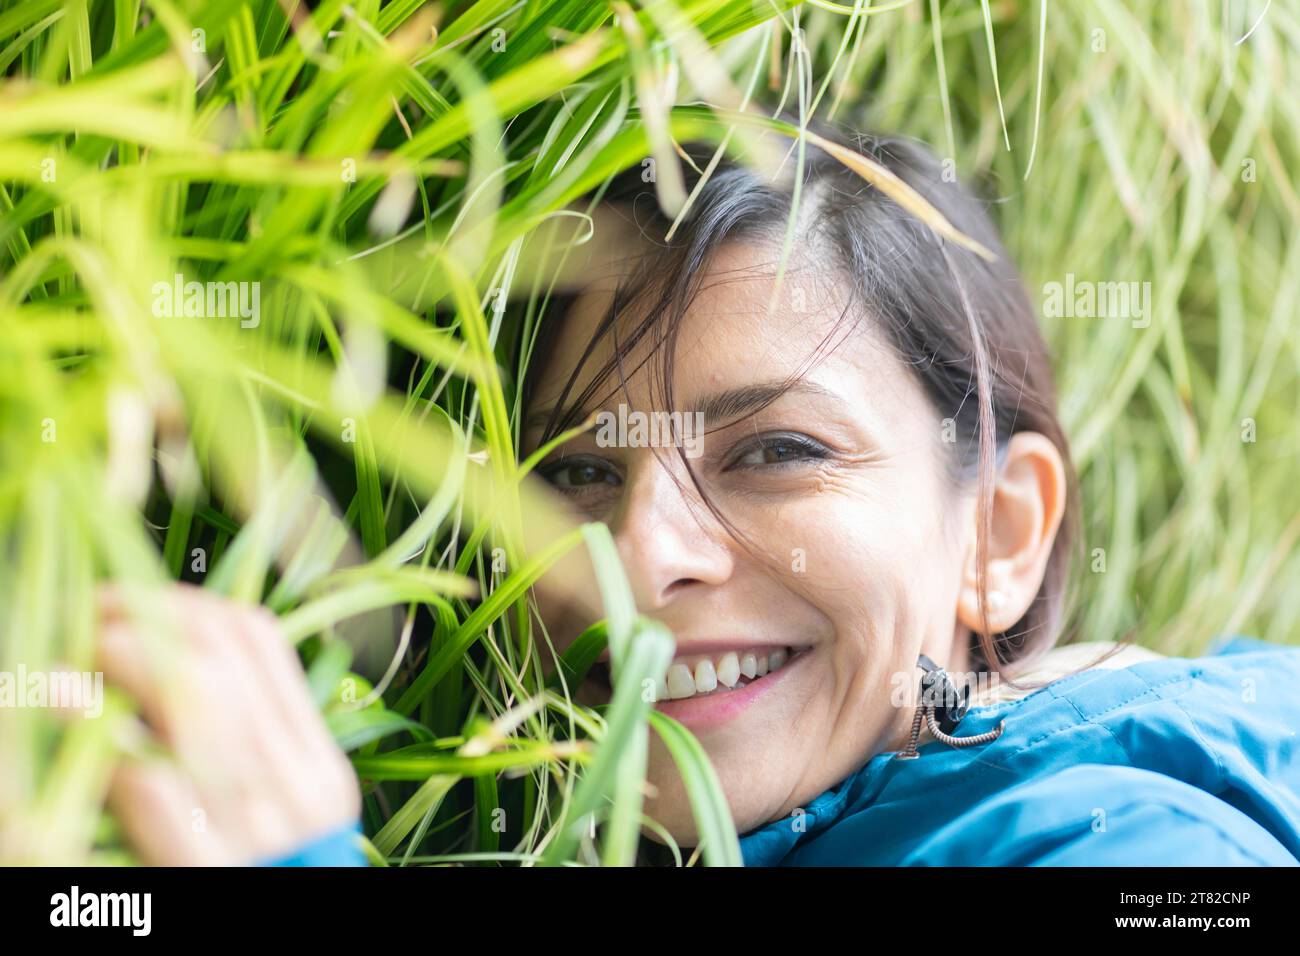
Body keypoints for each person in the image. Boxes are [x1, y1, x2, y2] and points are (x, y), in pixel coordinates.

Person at [100, 122, 1300, 866]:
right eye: (574, 470)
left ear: (999, 531)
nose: (640, 551)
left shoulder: (1130, 849)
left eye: (775, 450)